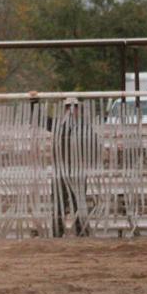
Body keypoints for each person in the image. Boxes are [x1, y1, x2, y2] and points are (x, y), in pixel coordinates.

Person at [51, 97, 98, 237]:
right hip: (60, 171)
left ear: (78, 109)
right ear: (64, 109)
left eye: (74, 107)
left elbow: (94, 145)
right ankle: (57, 232)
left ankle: (81, 231)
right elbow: (38, 119)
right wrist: (34, 102)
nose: (71, 110)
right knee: (58, 202)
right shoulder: (57, 125)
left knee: (79, 203)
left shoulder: (85, 127)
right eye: (68, 107)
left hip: (78, 171)